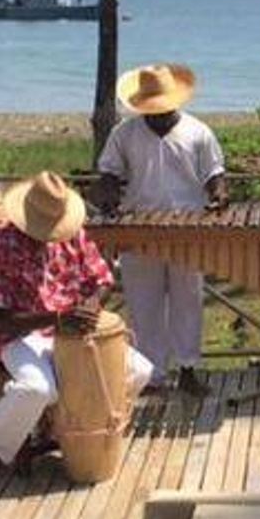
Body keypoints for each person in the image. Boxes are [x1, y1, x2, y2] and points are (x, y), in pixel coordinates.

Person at [0, 171, 152, 470]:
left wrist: (89, 308)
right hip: (19, 335)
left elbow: (100, 280)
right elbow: (2, 318)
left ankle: (73, 428)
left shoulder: (73, 232)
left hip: (71, 329)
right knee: (39, 389)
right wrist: (56, 319)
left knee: (140, 370)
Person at [92, 63, 228, 397]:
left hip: (188, 229)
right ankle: (151, 374)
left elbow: (215, 174)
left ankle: (188, 369)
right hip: (139, 228)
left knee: (188, 300)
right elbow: (109, 172)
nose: (155, 115)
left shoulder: (199, 131)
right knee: (143, 303)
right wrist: (108, 193)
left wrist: (219, 195)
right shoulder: (123, 133)